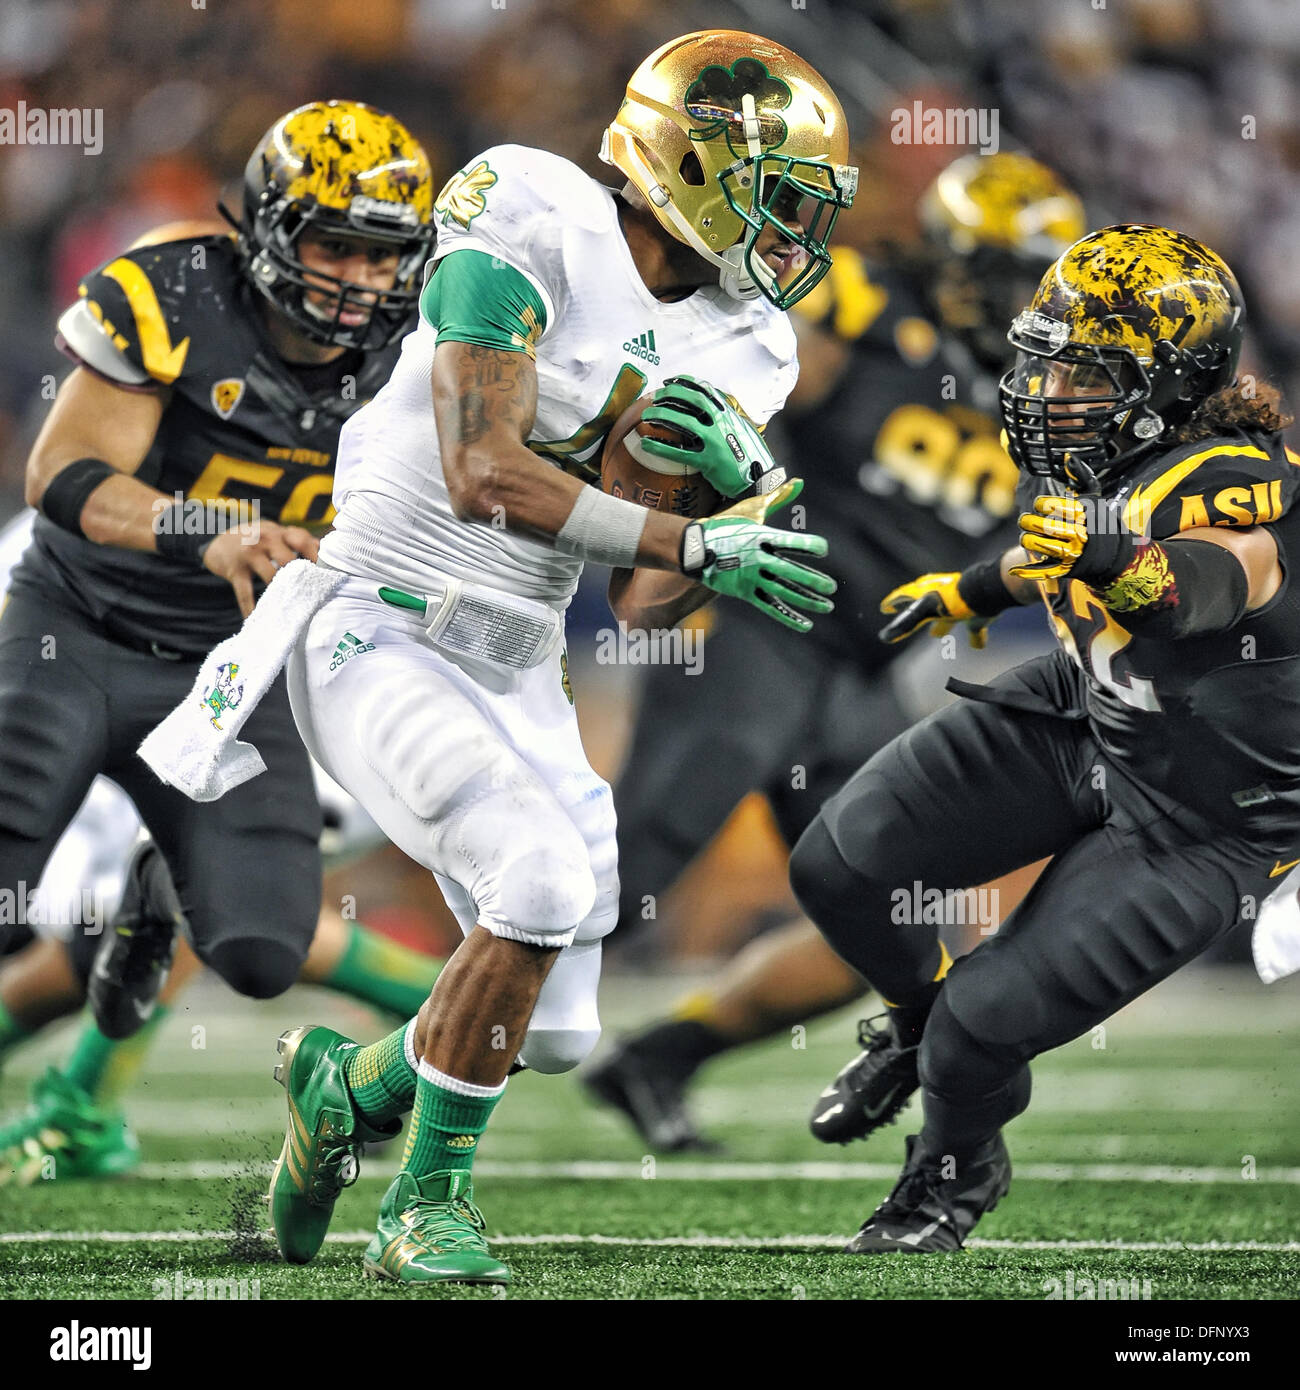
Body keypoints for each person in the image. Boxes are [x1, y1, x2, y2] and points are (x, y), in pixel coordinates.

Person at [248, 30, 855, 1286]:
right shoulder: (529, 208)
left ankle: (346, 1085)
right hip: (381, 612)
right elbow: (482, 474)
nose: (796, 235)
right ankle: (424, 1206)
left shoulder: (751, 343)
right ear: (687, 165)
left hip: (521, 654)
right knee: (531, 882)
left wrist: (707, 521)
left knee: (563, 1029)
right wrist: (687, 525)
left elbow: (639, 609)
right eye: (778, 197)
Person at [788, 224, 1299, 1252]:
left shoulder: (1238, 477)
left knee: (986, 1024)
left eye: (1083, 366)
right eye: (1049, 353)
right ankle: (911, 1021)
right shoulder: (1110, 446)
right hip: (1085, 711)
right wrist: (965, 589)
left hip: (1206, 819)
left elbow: (1195, 587)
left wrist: (1111, 556)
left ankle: (953, 1170)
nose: (1047, 382)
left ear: (1167, 377)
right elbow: (1053, 548)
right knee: (839, 864)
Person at [584, 153, 1084, 1152]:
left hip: (864, 671)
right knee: (613, 872)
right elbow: (742, 389)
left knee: (883, 911)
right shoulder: (862, 304)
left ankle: (657, 1060)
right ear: (947, 260)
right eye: (996, 273)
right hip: (766, 629)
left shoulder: (1043, 392)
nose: (1016, 302)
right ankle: (408, 1065)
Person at [0, 102, 437, 1157]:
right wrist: (212, 534)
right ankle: (79, 1101)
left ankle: (153, 907)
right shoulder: (176, 289)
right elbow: (60, 474)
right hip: (81, 624)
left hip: (238, 665)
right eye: (336, 244)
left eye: (385, 256)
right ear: (273, 228)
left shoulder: (428, 355)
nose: (361, 280)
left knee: (260, 948)